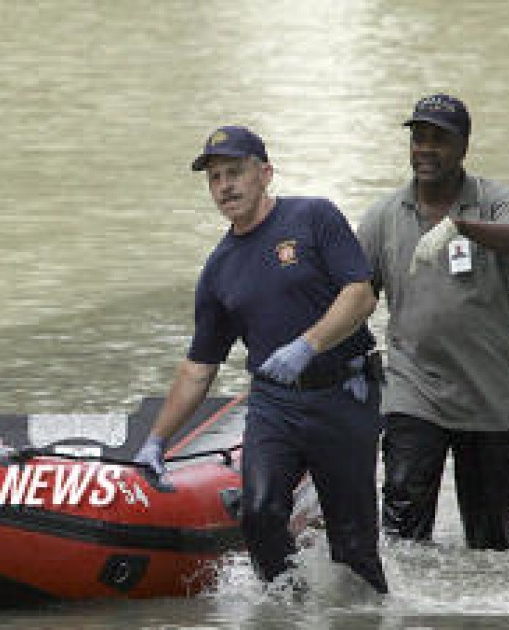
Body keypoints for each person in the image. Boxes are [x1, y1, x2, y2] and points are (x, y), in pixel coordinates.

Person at [133, 126, 389, 595]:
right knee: (259, 512)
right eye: (214, 178)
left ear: (265, 173)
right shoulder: (219, 269)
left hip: (343, 394)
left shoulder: (314, 217)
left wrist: (308, 345)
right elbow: (198, 369)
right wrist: (156, 439)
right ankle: (287, 606)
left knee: (354, 546)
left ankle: (366, 611)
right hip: (275, 404)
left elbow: (361, 294)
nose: (225, 186)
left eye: (235, 172)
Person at [357, 94, 509, 551]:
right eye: (418, 138)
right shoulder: (384, 216)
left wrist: (461, 227)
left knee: (492, 543)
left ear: (463, 146)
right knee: (403, 531)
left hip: (489, 394)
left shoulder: (492, 201)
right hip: (414, 388)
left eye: (439, 139)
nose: (425, 149)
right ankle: (405, 599)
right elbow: (354, 296)